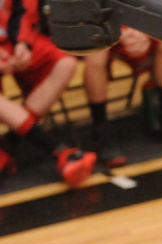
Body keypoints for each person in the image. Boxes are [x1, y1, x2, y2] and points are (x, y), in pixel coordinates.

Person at [0, 0, 97, 186]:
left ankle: (9, 144)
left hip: (12, 40)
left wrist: (23, 44)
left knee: (65, 63)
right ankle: (59, 150)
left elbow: (24, 10)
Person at [83, 26, 162, 168]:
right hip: (100, 29)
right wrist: (118, 31)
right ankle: (100, 133)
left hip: (138, 25)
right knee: (96, 56)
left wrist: (142, 28)